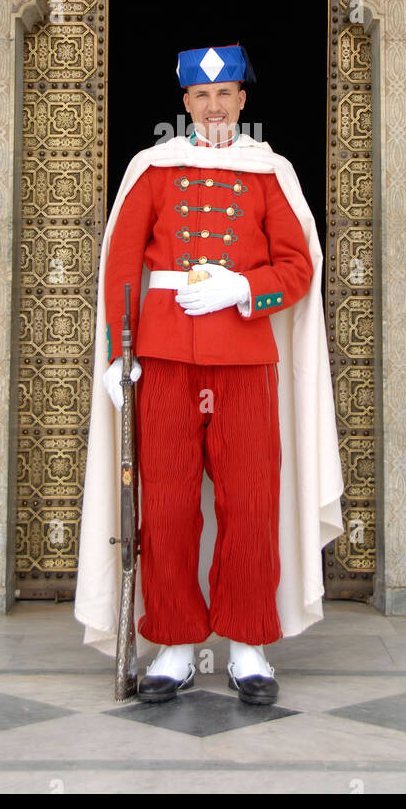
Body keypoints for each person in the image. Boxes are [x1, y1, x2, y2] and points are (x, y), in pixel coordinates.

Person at [74, 43, 343, 705]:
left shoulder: (268, 172)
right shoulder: (154, 168)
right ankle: (173, 642)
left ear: (243, 101)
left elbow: (298, 268)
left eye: (226, 96)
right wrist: (118, 354)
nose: (215, 107)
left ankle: (248, 643)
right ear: (186, 103)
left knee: (249, 505)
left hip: (246, 359)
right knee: (165, 509)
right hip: (162, 360)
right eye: (202, 96)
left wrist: (243, 291)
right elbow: (121, 267)